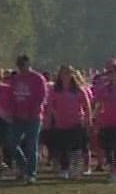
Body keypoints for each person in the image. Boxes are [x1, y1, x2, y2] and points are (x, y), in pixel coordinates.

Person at [44, 66, 93, 180]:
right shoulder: (55, 90)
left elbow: (86, 106)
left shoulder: (78, 90)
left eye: (67, 73)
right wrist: (49, 119)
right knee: (63, 148)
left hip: (76, 122)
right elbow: (50, 106)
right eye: (62, 73)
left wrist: (88, 120)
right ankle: (64, 169)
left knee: (76, 148)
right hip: (61, 123)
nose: (65, 76)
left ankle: (76, 170)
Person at [7, 55, 49, 184]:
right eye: (19, 66)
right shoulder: (15, 79)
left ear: (28, 64)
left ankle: (31, 174)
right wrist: (13, 112)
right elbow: (11, 97)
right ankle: (23, 165)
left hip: (33, 118)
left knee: (32, 146)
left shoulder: (38, 79)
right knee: (11, 144)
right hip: (17, 117)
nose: (21, 68)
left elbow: (41, 98)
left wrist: (30, 112)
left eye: (23, 65)